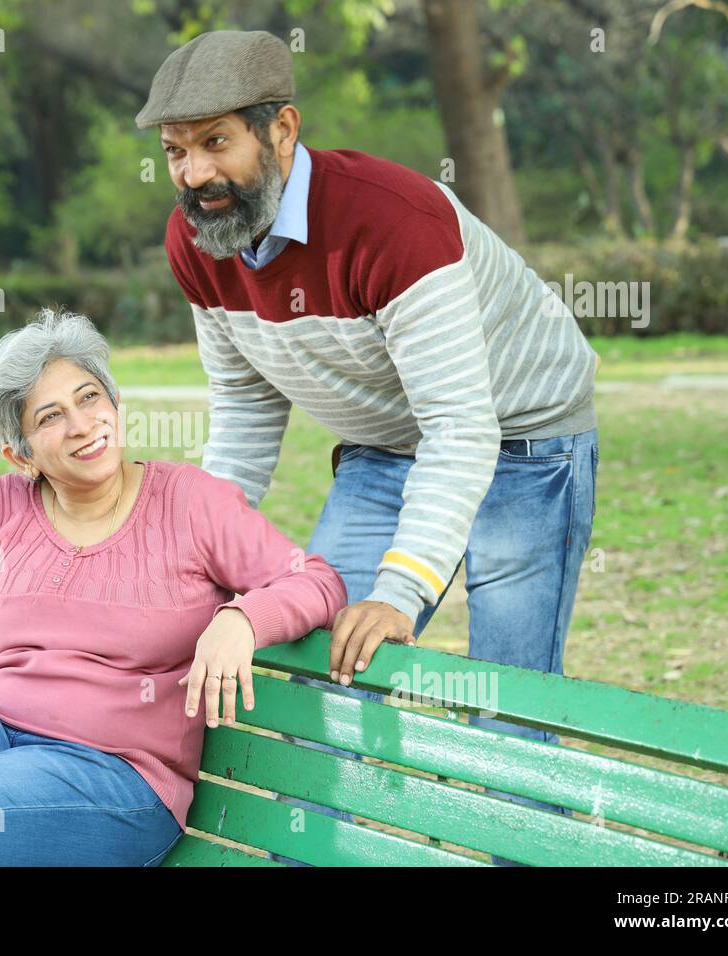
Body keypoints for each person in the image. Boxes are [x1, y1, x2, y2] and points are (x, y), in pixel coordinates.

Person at [137, 30, 599, 865]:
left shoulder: (394, 221)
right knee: (318, 672)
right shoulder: (200, 244)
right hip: (384, 446)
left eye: (215, 144)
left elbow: (462, 427)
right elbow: (243, 414)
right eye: (176, 152)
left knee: (508, 708)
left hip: (529, 439)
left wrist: (399, 590)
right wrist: (189, 558)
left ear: (281, 131)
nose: (194, 174)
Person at [0, 307, 346, 866]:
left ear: (114, 403)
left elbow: (316, 580)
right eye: (51, 416)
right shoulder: (1, 506)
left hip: (112, 780)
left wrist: (243, 618)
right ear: (20, 455)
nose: (83, 424)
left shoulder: (190, 502)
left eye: (89, 398)